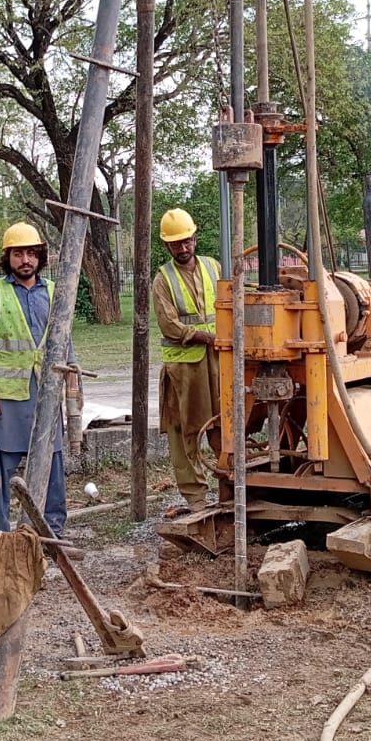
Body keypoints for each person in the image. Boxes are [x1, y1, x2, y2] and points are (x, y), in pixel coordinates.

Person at [0, 221, 69, 541]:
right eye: (17, 254)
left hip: (46, 391)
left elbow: (65, 340)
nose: (25, 260)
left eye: (30, 253)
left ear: (40, 256)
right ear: (8, 258)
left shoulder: (54, 292)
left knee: (51, 458)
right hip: (7, 396)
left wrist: (72, 383)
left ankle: (51, 526)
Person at [152, 208, 222, 517]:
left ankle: (231, 488)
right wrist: (206, 337)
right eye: (175, 244)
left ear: (195, 238)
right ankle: (196, 499)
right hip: (184, 368)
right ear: (167, 246)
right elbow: (169, 325)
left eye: (186, 241)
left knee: (223, 425)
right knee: (184, 433)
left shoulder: (214, 268)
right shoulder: (162, 279)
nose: (182, 248)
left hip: (219, 361)